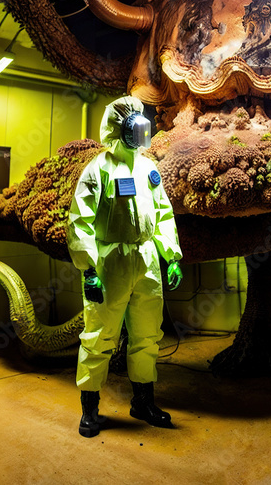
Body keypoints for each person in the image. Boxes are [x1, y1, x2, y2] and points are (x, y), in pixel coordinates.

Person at [67, 96, 184, 437]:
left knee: (147, 335)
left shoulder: (148, 168)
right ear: (121, 128)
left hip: (146, 261)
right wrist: (89, 269)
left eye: (143, 121)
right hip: (110, 264)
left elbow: (163, 214)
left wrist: (172, 256)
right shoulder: (98, 169)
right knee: (99, 336)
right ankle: (90, 410)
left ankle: (143, 401)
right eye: (135, 122)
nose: (142, 128)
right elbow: (79, 222)